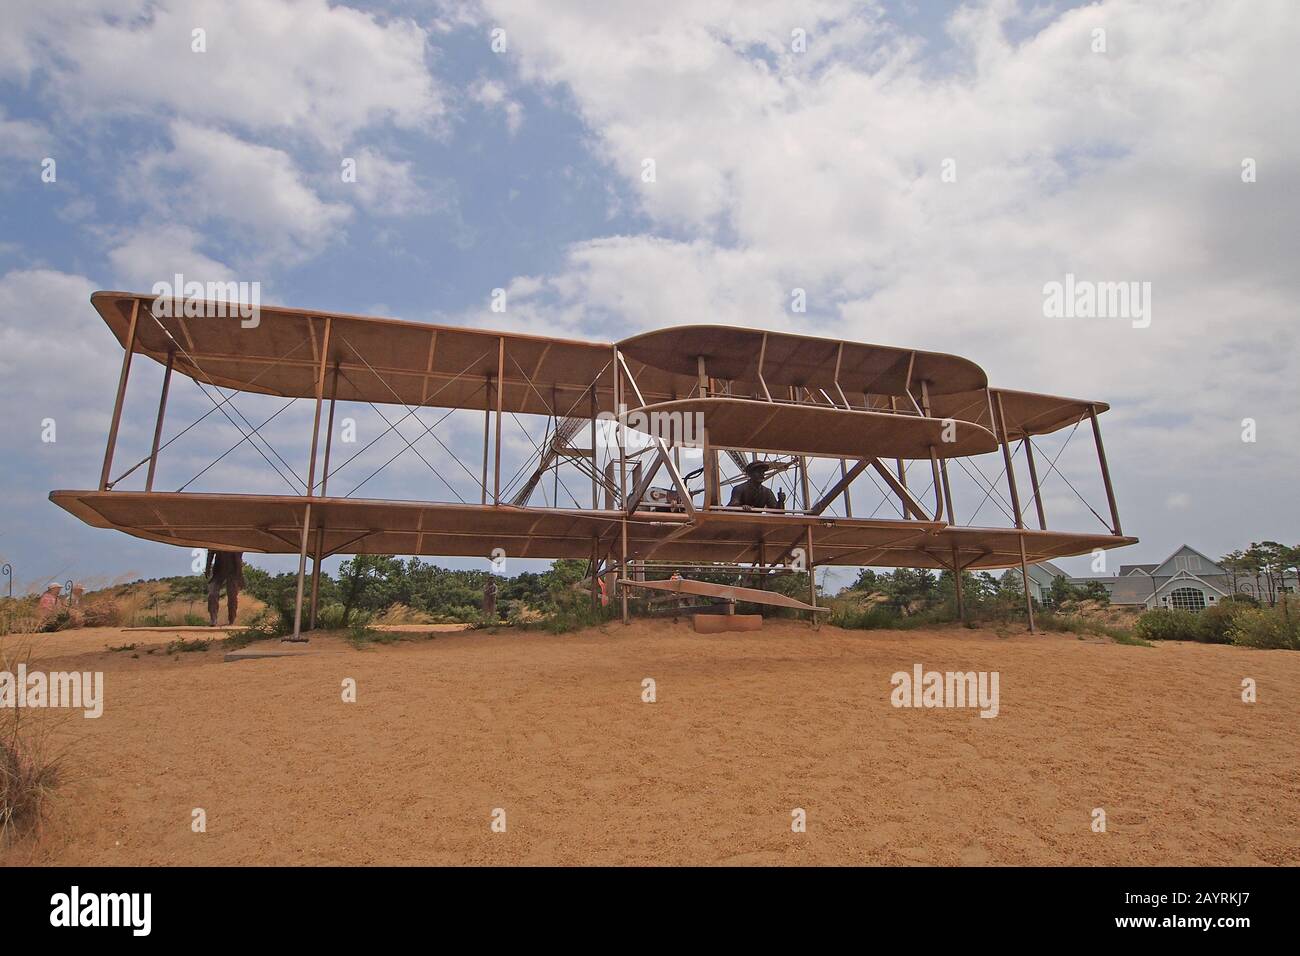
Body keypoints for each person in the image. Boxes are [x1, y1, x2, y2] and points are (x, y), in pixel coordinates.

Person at [205, 550, 244, 626]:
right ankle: (213, 619)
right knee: (212, 594)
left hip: (233, 570)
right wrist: (207, 568)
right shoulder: (216, 539)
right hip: (218, 570)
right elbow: (210, 553)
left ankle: (231, 620)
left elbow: (239, 556)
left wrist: (240, 576)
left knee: (232, 596)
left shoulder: (236, 540)